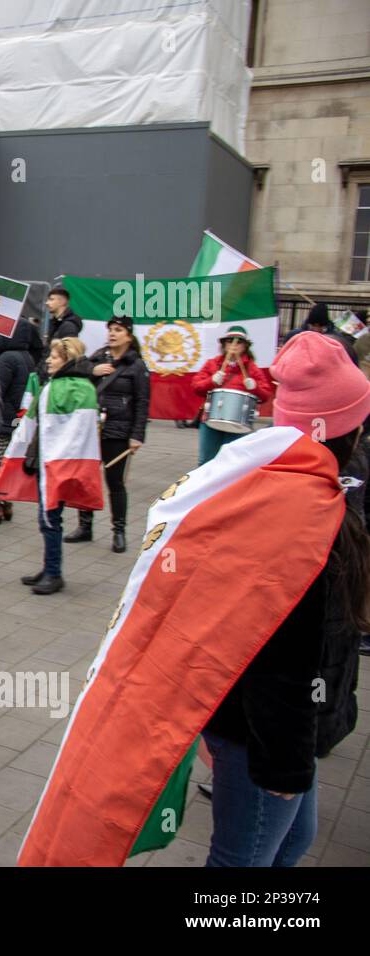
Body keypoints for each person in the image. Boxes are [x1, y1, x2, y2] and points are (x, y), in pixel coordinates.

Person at [201, 331, 370, 866]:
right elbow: (279, 658)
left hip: (295, 724)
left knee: (292, 843)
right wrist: (283, 763)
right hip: (262, 734)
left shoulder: (325, 490)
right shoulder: (298, 516)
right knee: (242, 862)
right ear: (345, 427)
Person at [63, 315, 149, 552]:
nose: (112, 333)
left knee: (115, 482)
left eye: (118, 330)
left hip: (118, 431)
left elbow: (142, 403)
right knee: (86, 479)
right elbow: (74, 371)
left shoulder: (137, 365)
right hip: (92, 427)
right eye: (110, 329)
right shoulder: (99, 357)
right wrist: (93, 369)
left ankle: (119, 530)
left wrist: (137, 435)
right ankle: (85, 526)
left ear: (128, 336)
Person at [20, 337, 96, 595]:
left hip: (58, 462)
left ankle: (54, 572)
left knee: (50, 518)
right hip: (54, 460)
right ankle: (48, 567)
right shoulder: (75, 386)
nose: (49, 361)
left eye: (54, 357)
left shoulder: (67, 387)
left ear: (66, 359)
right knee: (47, 517)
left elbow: (67, 429)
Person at [191, 326, 275, 465]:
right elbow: (196, 387)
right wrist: (211, 381)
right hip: (211, 420)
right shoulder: (213, 364)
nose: (233, 345)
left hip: (238, 422)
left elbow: (266, 395)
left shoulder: (252, 368)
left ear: (245, 346)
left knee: (232, 464)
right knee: (206, 462)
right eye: (230, 341)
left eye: (238, 342)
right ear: (224, 344)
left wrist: (255, 388)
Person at [0, 319, 38, 524]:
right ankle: (6, 503)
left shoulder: (6, 358)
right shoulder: (27, 357)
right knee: (4, 461)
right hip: (16, 418)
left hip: (2, 419)